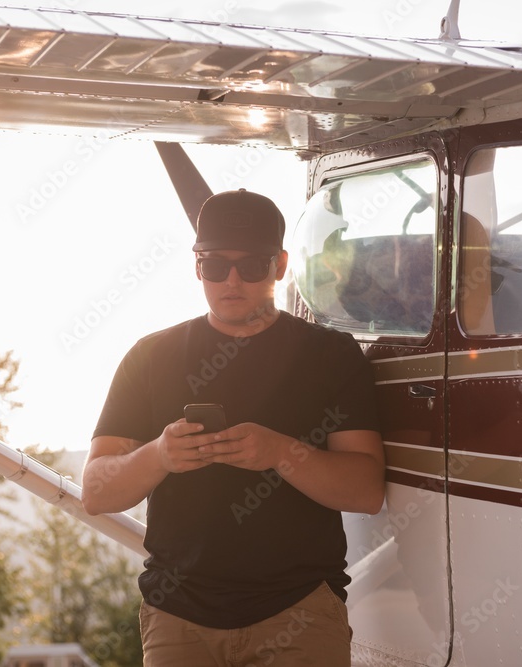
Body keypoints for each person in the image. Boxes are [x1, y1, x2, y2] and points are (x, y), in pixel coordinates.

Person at [81, 188, 386, 667]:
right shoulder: (149, 356)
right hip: (178, 620)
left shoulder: (332, 356)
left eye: (253, 265)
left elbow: (367, 491)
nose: (233, 280)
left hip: (299, 613)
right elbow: (96, 492)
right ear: (196, 265)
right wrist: (158, 455)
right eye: (216, 265)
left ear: (281, 265)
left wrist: (281, 452)